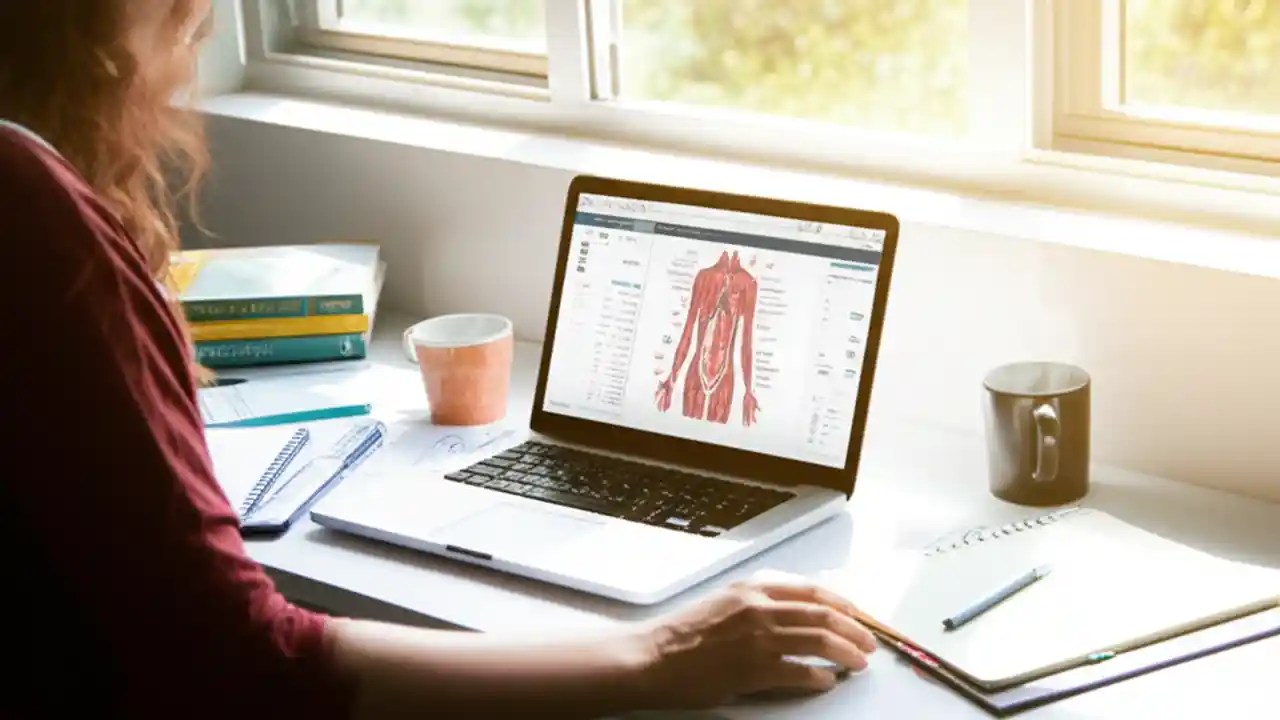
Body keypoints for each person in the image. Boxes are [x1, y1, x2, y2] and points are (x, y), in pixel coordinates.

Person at [0, 2, 877, 718]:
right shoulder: (35, 216)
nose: (201, 32)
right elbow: (239, 652)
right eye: (182, 30)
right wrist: (655, 653)